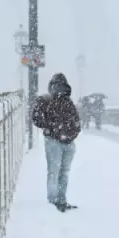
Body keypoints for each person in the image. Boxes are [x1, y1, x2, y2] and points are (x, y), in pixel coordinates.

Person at [31, 73, 81, 212]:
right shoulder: (46, 101)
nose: (60, 89)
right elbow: (36, 118)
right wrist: (53, 129)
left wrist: (70, 135)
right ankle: (54, 202)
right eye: (58, 86)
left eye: (62, 86)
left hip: (66, 143)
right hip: (55, 142)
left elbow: (77, 123)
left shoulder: (67, 102)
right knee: (56, 172)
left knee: (62, 172)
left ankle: (60, 200)